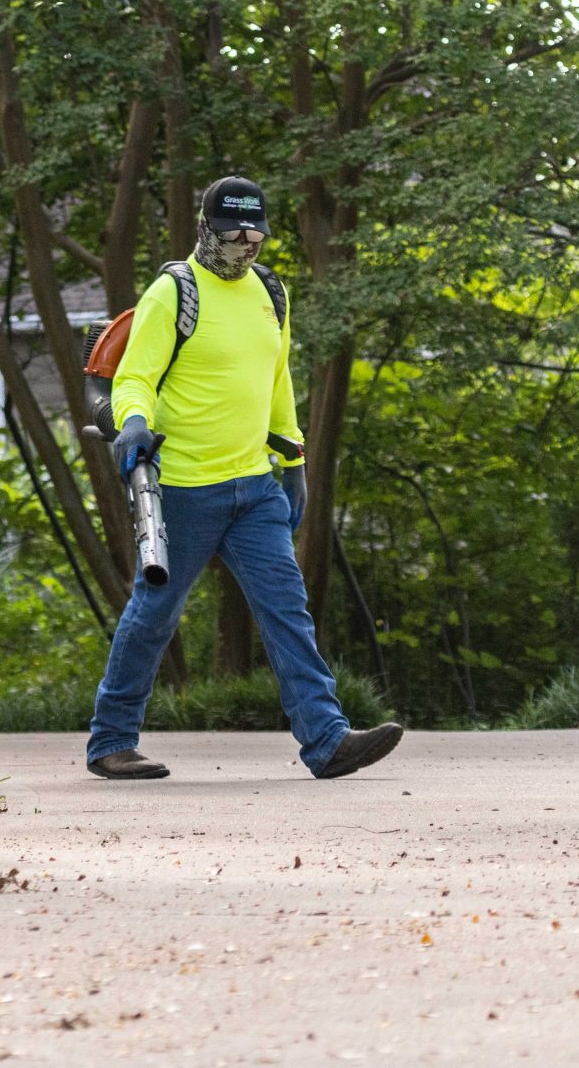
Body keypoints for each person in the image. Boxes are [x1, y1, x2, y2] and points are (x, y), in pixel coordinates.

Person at [86, 176, 403, 782]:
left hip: (254, 486)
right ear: (206, 227)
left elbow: (277, 381)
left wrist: (294, 461)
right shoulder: (172, 291)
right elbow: (133, 378)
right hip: (182, 487)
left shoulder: (271, 292)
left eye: (255, 229)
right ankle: (111, 741)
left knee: (288, 608)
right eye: (232, 229)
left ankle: (328, 740)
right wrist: (131, 425)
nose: (244, 241)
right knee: (155, 613)